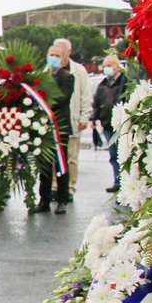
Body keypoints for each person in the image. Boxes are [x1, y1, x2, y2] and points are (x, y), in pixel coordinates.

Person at [34, 45, 75, 215]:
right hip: (43, 126)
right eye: (51, 54)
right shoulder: (41, 77)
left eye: (57, 55)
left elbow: (62, 98)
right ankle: (44, 199)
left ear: (64, 59)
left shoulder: (68, 78)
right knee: (44, 165)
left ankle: (62, 199)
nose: (54, 58)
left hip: (60, 126)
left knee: (61, 164)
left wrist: (44, 100)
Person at [52, 38, 91, 200]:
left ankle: (69, 187)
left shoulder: (79, 70)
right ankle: (54, 187)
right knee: (53, 156)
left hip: (72, 118)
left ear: (68, 52)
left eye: (61, 50)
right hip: (52, 121)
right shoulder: (48, 70)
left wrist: (84, 116)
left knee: (71, 157)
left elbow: (85, 95)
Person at [91, 55, 128, 193]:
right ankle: (118, 182)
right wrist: (93, 118)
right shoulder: (102, 85)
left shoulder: (124, 82)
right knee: (113, 155)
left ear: (117, 66)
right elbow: (97, 103)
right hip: (107, 124)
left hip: (122, 125)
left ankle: (126, 183)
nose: (107, 68)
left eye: (110, 65)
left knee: (123, 155)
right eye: (105, 65)